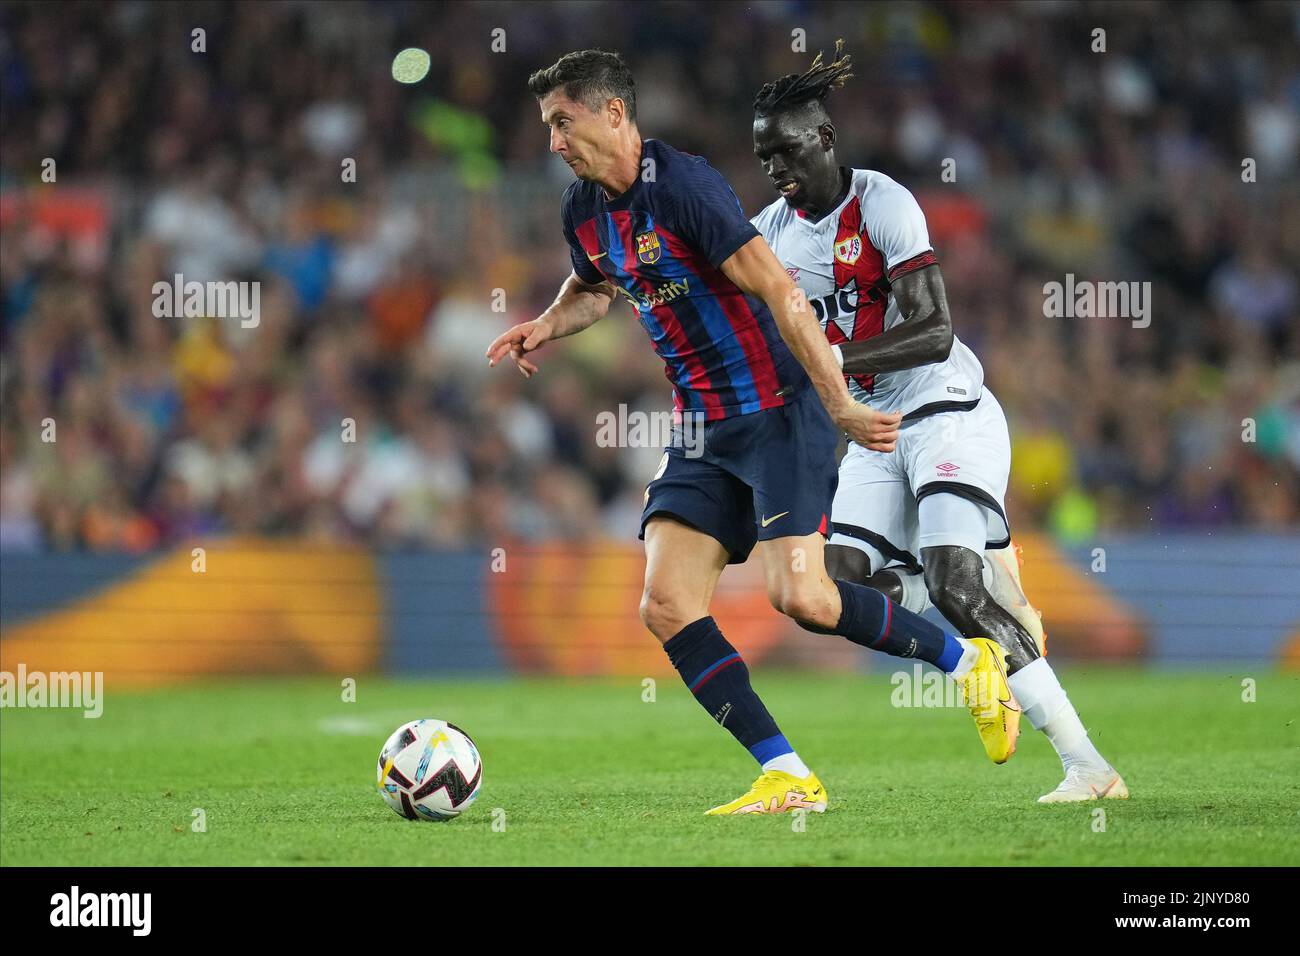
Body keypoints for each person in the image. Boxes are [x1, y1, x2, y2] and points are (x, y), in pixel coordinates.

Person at [488, 49, 1018, 815]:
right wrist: (545, 323)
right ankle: (788, 775)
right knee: (666, 604)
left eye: (562, 122)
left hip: (774, 410)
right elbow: (595, 289)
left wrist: (835, 401)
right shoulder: (582, 210)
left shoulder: (688, 188)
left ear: (613, 113)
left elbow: (778, 288)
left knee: (802, 597)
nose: (553, 141)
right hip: (700, 427)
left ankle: (966, 661)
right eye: (547, 127)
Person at [749, 42, 1127, 802]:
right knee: (834, 591)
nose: (776, 169)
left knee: (958, 585)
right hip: (871, 429)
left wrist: (827, 357)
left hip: (946, 412)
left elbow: (933, 330)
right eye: (763, 157)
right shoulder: (770, 232)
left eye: (786, 150)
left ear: (824, 138)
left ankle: (1090, 768)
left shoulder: (883, 202)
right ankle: (978, 611)